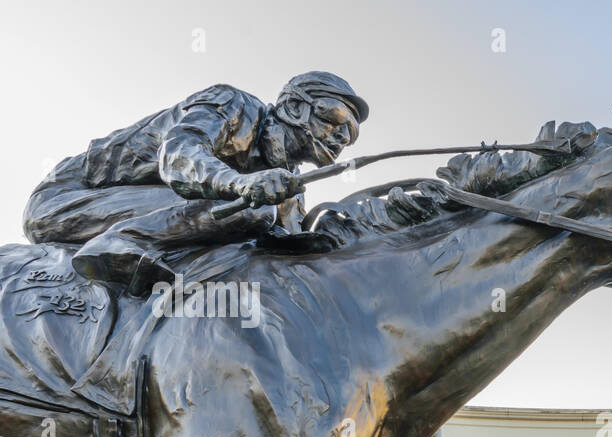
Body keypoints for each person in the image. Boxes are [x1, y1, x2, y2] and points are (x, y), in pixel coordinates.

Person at [23, 71, 367, 293]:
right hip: (69, 199)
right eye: (333, 121)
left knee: (259, 218)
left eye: (349, 136)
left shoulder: (289, 180)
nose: (340, 138)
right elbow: (179, 155)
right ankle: (115, 244)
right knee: (253, 212)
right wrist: (240, 184)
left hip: (143, 205)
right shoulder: (233, 105)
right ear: (293, 107)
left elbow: (283, 238)